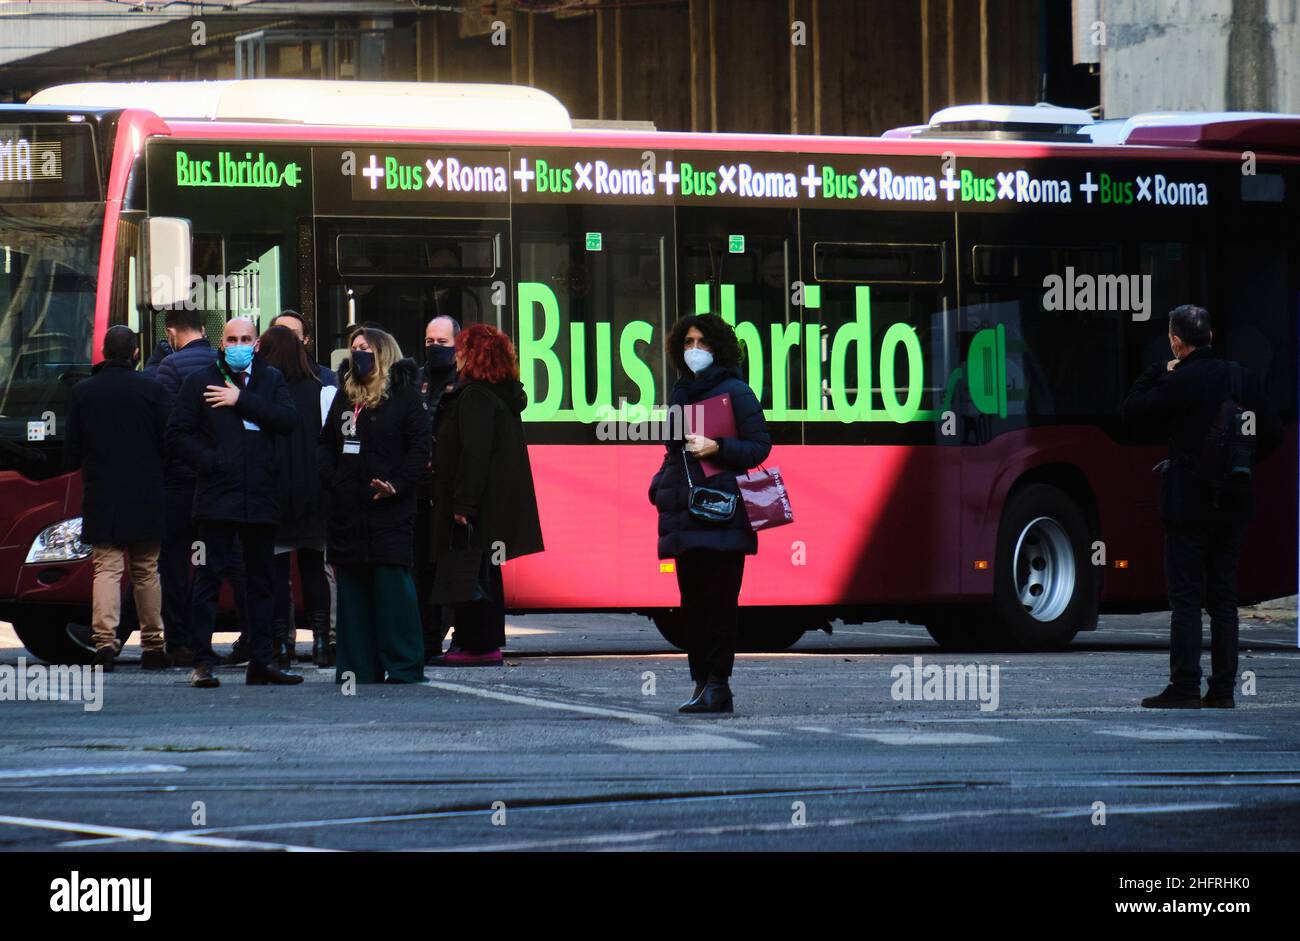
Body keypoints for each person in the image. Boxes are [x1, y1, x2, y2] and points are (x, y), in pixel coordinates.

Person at [1122, 304, 1281, 709]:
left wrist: (1160, 370)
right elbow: (1274, 433)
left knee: (1187, 599)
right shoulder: (1241, 377)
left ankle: (1185, 686)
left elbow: (1132, 410)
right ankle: (1224, 690)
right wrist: (1238, 465)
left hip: (1188, 503)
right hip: (1233, 501)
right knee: (1224, 597)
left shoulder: (1180, 380)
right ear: (1210, 335)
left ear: (1177, 340)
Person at [167, 316, 302, 689]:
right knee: (208, 578)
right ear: (221, 343)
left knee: (262, 581)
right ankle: (202, 661)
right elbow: (177, 434)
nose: (239, 344)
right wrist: (210, 463)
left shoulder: (270, 380)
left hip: (259, 494)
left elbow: (288, 420)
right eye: (232, 339)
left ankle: (262, 660)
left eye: (246, 338)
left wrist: (241, 400)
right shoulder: (200, 381)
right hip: (217, 496)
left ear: (256, 343)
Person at [648, 314, 771, 714]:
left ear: (717, 346)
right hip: (685, 513)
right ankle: (702, 684)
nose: (694, 350)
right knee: (693, 606)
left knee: (720, 604)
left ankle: (719, 684)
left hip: (722, 512)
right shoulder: (681, 392)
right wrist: (660, 484)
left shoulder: (735, 390)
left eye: (701, 342)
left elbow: (758, 446)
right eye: (687, 342)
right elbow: (673, 452)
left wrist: (717, 446)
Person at [318, 326, 428, 684]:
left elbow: (419, 448)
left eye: (364, 347)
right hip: (348, 511)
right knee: (353, 592)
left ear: (383, 352)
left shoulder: (405, 397)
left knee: (392, 589)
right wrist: (334, 479)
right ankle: (357, 667)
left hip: (389, 510)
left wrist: (396, 485)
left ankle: (403, 665)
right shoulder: (346, 397)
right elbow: (326, 444)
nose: (357, 353)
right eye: (353, 348)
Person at [431, 324, 544, 667]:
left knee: (473, 573)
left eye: (462, 349)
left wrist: (463, 503)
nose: (456, 356)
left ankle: (475, 643)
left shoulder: (476, 397)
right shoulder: (501, 394)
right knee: (486, 574)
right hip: (495, 506)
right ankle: (481, 642)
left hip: (478, 507)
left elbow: (474, 453)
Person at [65, 326, 169, 672]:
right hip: (146, 494)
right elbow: (167, 443)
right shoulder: (152, 390)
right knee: (146, 570)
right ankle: (154, 644)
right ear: (136, 353)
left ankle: (105, 644)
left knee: (107, 569)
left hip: (103, 494)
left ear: (104, 353)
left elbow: (72, 451)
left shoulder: (82, 393)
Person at [259, 325, 337, 668]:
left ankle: (281, 644)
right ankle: (322, 641)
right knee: (314, 570)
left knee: (277, 574)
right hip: (314, 491)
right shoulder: (322, 390)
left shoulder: (261, 392)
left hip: (273, 492)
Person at [416, 315, 459, 663]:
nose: (434, 348)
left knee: (451, 565)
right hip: (419, 489)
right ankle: (427, 638)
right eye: (430, 342)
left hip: (448, 489)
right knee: (423, 567)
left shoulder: (463, 382)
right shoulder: (418, 378)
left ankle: (447, 635)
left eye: (442, 343)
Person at [272, 309, 338, 388]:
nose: (287, 338)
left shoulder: (327, 379)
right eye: (281, 333)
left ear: (306, 339)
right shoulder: (259, 375)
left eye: (293, 333)